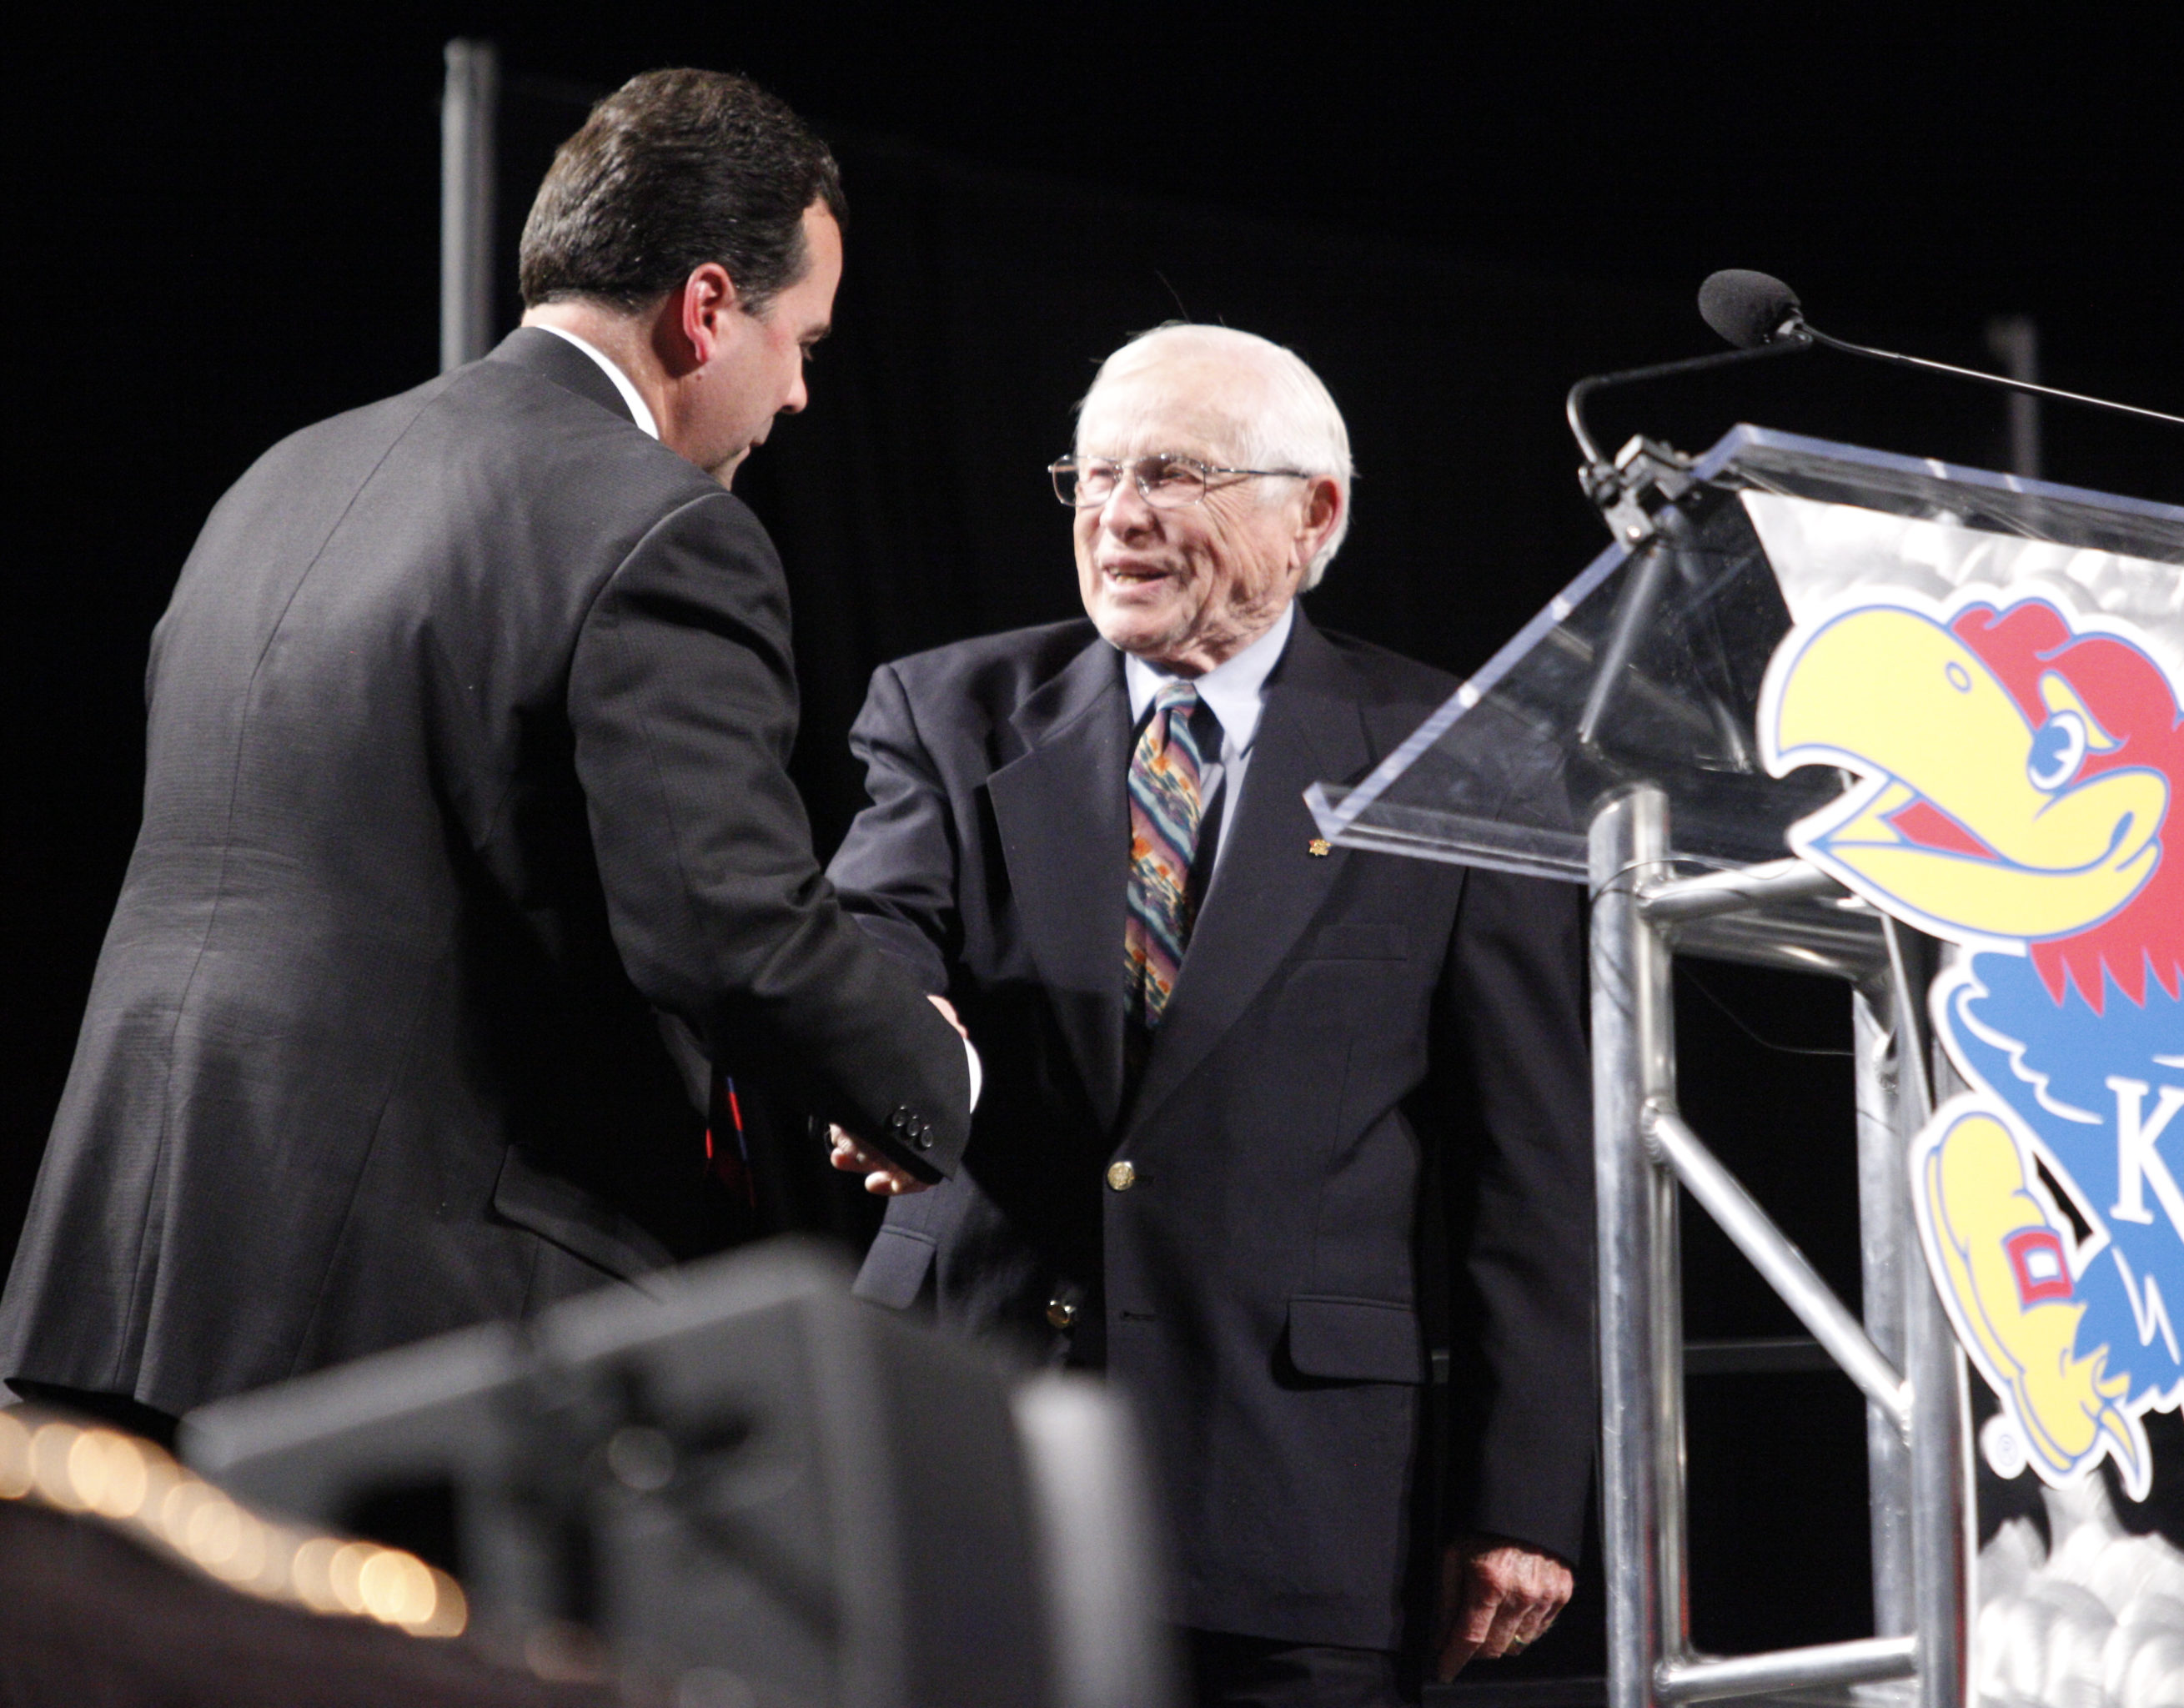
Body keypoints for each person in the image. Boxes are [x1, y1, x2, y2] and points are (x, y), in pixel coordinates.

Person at [0, 70, 972, 1440]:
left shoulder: (282, 478)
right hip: (395, 1333)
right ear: (705, 311)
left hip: (114, 1287)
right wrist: (926, 1074)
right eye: (799, 339)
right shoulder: (663, 526)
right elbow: (721, 927)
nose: (802, 392)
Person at [825, 324, 1594, 1704]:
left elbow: (1528, 1166)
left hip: (1293, 1498)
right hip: (974, 1449)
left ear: (1314, 514)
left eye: (1170, 474)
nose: (1118, 517)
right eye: (1094, 475)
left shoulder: (1456, 766)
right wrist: (886, 1045)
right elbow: (868, 932)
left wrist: (1520, 1495)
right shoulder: (947, 713)